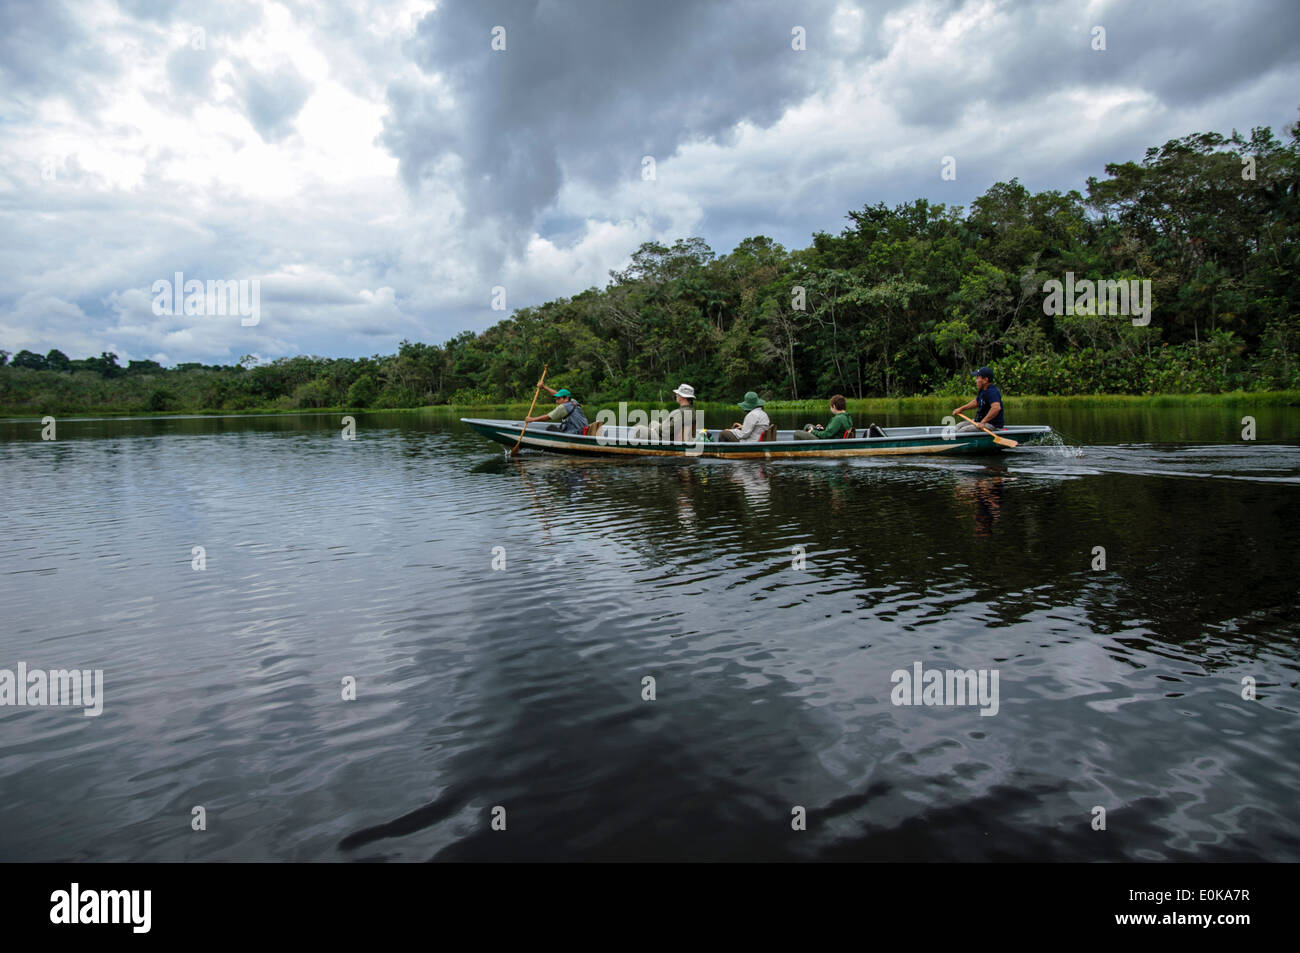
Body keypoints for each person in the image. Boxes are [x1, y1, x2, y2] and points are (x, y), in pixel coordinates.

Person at [952, 367, 1005, 432]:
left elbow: (996, 408)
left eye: (977, 378)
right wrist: (960, 409)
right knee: (958, 426)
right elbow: (976, 402)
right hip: (979, 421)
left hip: (992, 425)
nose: (976, 381)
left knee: (963, 431)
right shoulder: (982, 390)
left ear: (985, 380)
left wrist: (983, 422)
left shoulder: (992, 392)